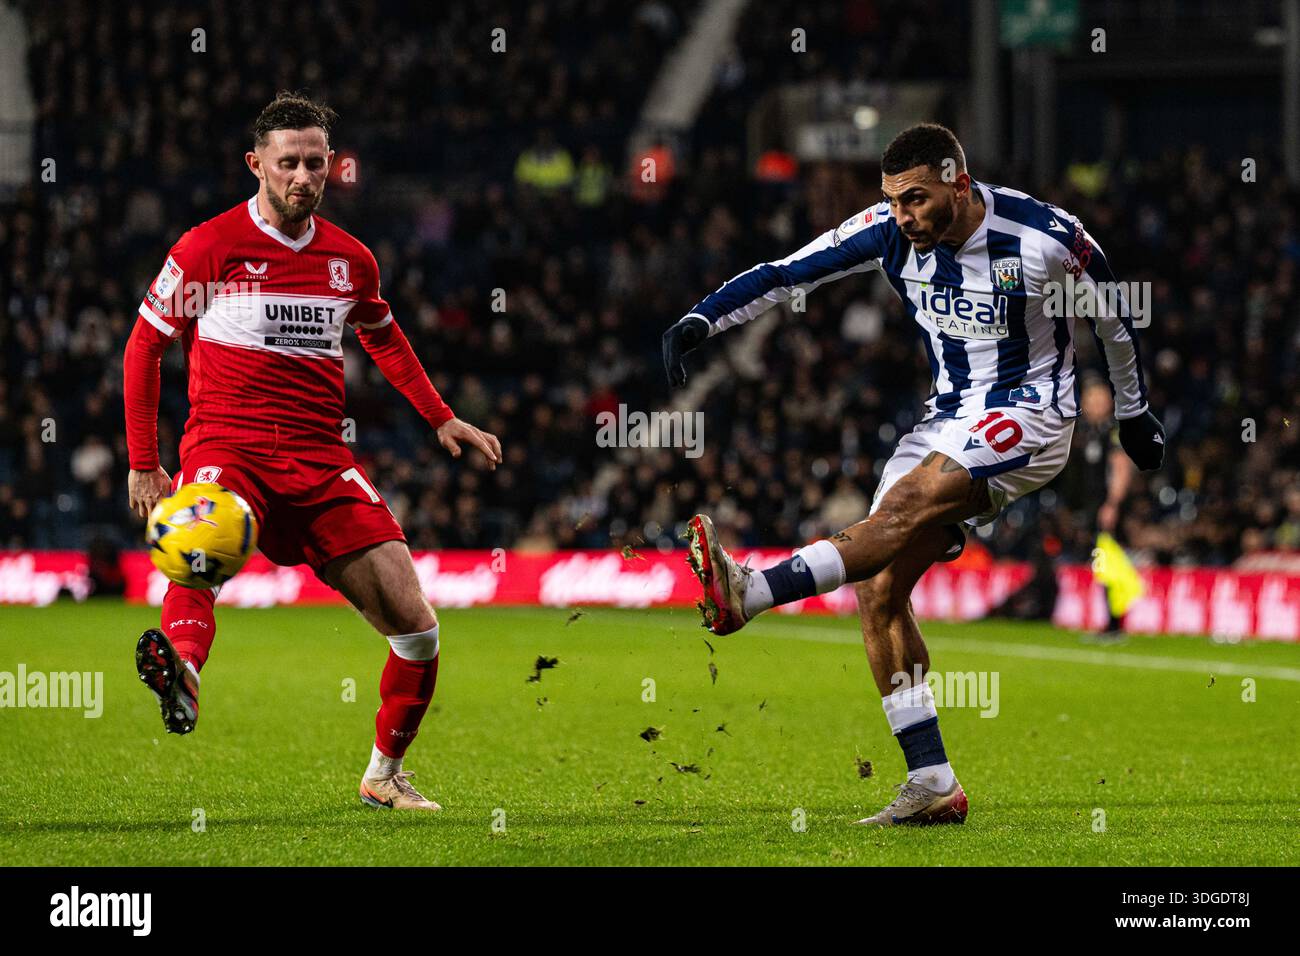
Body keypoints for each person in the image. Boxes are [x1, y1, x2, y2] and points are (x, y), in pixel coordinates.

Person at [662, 123, 1165, 826]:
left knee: (901, 508)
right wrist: (701, 318)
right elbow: (785, 273)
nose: (904, 216)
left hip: (1032, 413)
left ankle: (751, 590)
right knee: (878, 588)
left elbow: (1114, 317)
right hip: (946, 417)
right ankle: (932, 781)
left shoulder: (1044, 235)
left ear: (958, 179)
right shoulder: (888, 233)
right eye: (894, 201)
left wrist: (1134, 413)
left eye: (917, 199)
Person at [124, 92, 502, 811]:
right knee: (198, 545)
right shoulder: (210, 246)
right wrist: (145, 461)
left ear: (332, 165)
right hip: (228, 446)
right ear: (256, 164)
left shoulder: (350, 260)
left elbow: (382, 334)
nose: (303, 175)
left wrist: (441, 417)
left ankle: (383, 775)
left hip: (322, 459)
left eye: (316, 162)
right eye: (289, 161)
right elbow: (145, 346)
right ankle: (185, 670)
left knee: (416, 624)